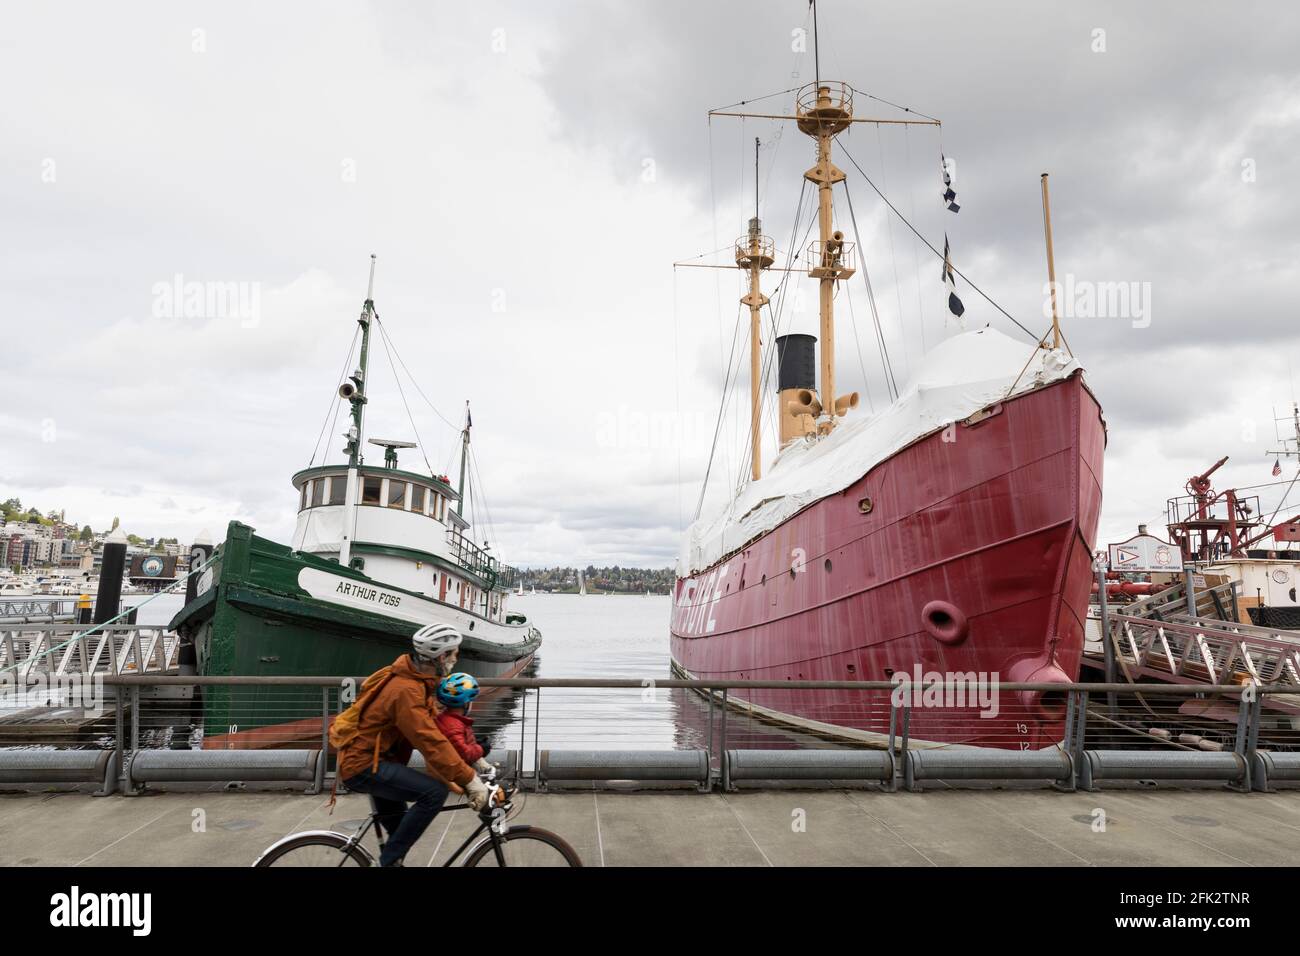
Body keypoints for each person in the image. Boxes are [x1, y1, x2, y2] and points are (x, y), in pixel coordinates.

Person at [339, 623, 489, 867]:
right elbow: (429, 740)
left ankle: (391, 861)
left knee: (401, 833)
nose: (455, 660)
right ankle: (386, 864)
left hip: (376, 761)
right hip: (364, 766)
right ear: (441, 656)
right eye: (454, 654)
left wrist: (472, 762)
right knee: (433, 794)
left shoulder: (415, 680)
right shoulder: (407, 690)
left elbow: (436, 733)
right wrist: (470, 779)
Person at [434, 672, 495, 772]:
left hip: (455, 769)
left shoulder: (447, 719)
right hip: (457, 774)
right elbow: (465, 755)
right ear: (466, 703)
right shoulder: (454, 726)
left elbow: (458, 745)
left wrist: (475, 744)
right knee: (480, 788)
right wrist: (482, 748)